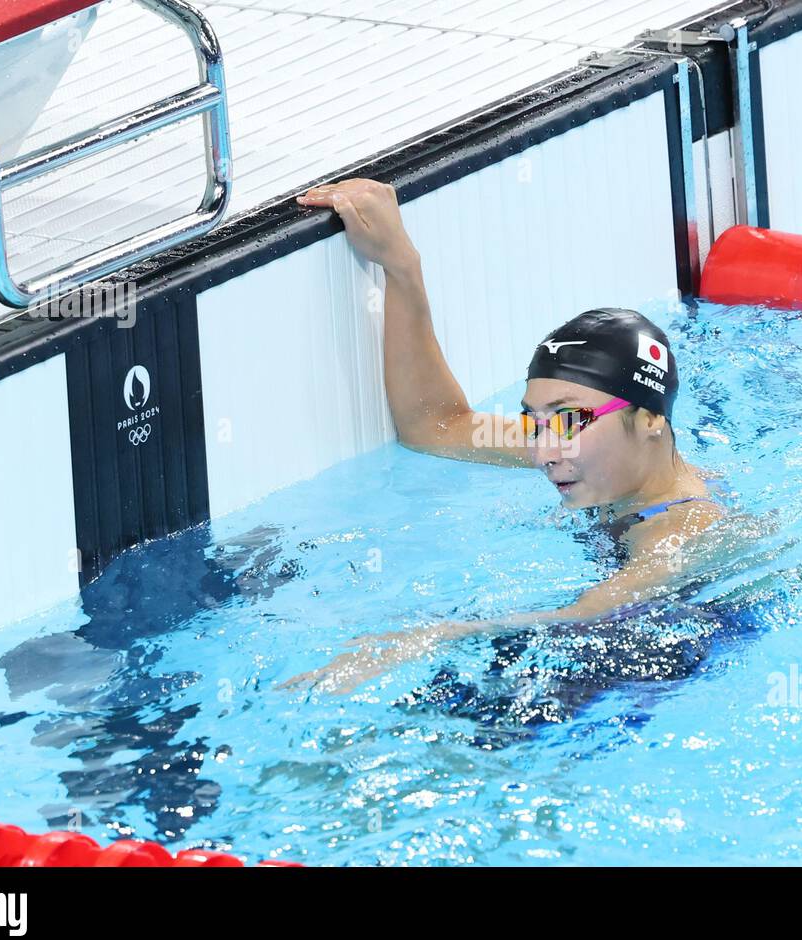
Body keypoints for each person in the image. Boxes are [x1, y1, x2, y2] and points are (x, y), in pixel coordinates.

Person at [282, 179, 729, 695]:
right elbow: (436, 426)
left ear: (651, 420)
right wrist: (402, 267)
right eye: (534, 422)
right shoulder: (601, 449)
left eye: (565, 420)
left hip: (668, 653)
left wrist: (422, 638)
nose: (541, 451)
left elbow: (584, 617)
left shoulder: (684, 529)